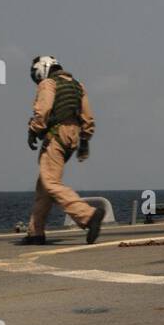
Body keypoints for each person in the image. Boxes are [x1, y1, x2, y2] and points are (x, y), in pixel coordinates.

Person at [23, 55, 105, 245]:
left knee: (50, 182)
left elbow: (42, 112)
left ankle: (88, 215)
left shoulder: (48, 84)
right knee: (44, 184)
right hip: (73, 136)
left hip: (56, 135)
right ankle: (35, 232)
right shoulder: (77, 85)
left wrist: (33, 130)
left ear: (43, 68)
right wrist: (85, 141)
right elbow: (87, 117)